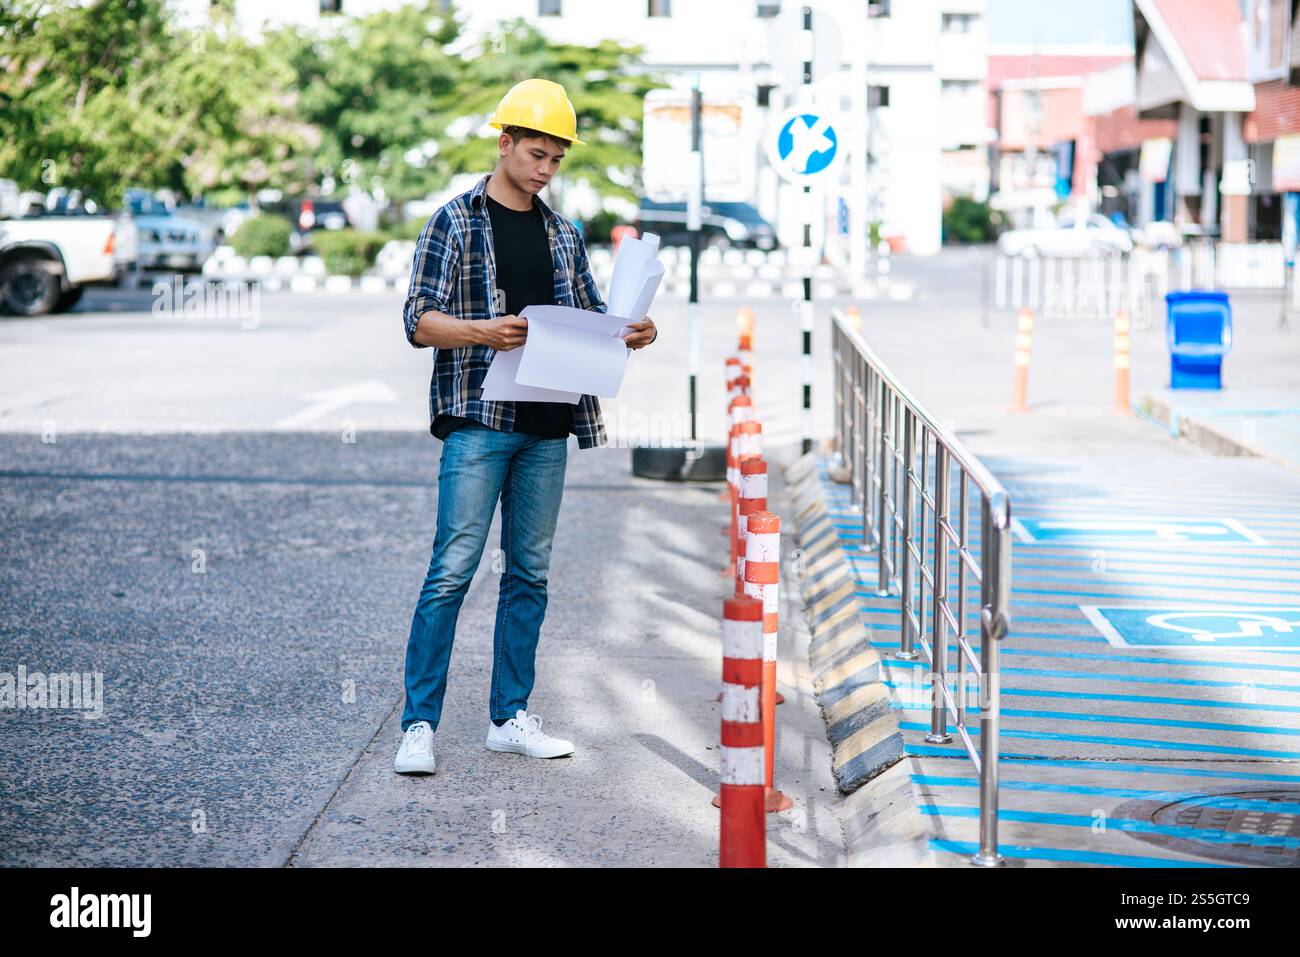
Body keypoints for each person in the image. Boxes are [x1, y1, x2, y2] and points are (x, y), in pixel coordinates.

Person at [394, 78, 658, 775]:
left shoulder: (563, 234)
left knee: (529, 574)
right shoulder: (453, 222)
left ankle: (509, 717)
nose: (545, 168)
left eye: (555, 160)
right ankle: (418, 724)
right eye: (536, 153)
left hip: (546, 425)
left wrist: (633, 331)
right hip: (479, 421)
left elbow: (596, 320)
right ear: (504, 143)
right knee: (452, 571)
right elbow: (418, 320)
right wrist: (486, 331)